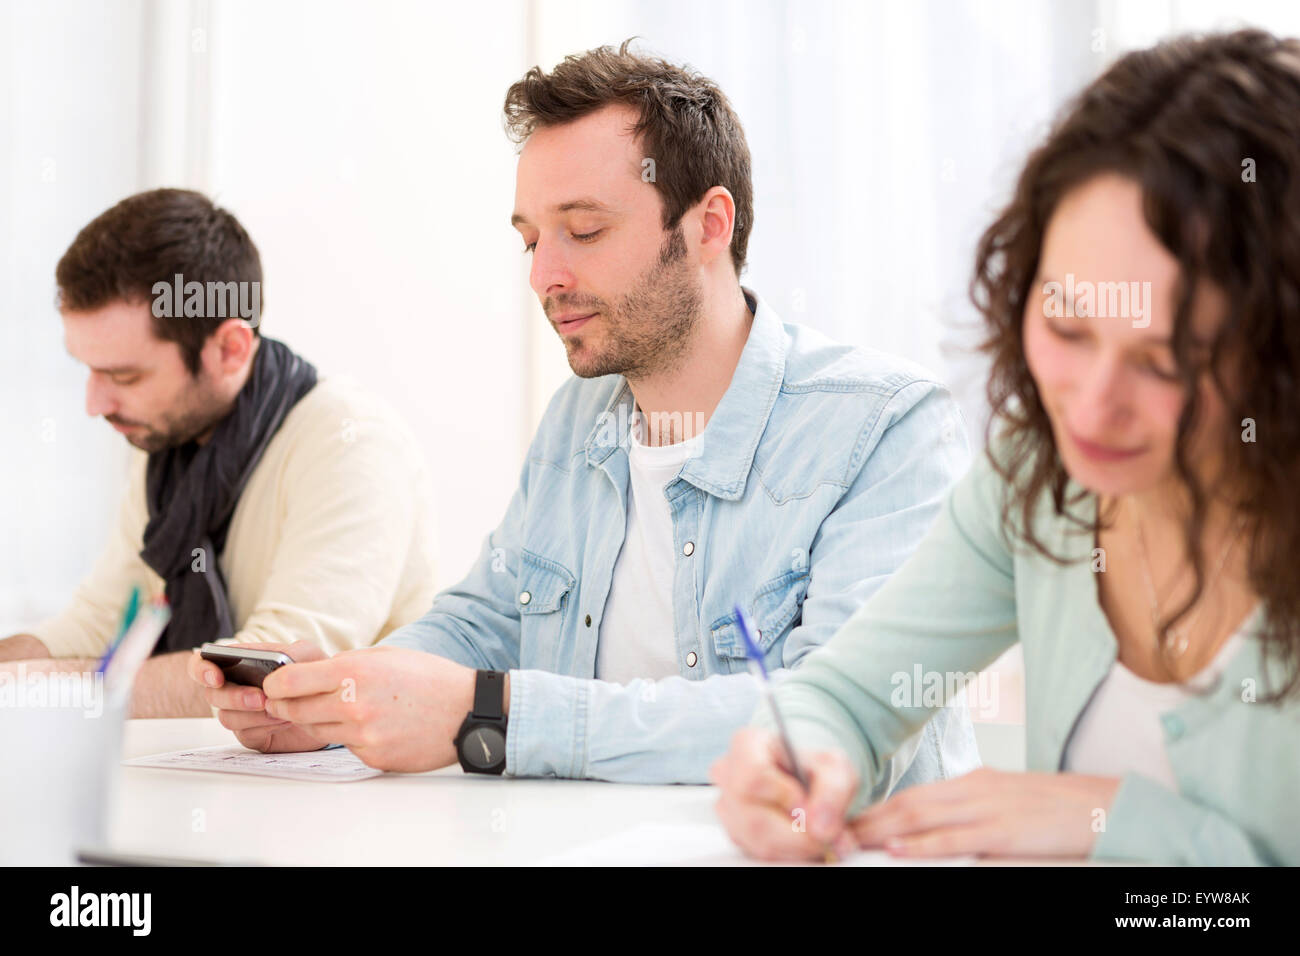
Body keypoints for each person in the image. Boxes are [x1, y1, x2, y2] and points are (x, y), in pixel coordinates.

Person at [193, 40, 979, 785]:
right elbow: (482, 625)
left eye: (585, 230)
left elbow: (830, 723)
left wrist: (494, 717)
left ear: (710, 225)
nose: (544, 275)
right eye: (530, 240)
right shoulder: (580, 420)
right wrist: (340, 699)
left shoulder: (887, 428)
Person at [712, 29, 1300, 865]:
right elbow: (845, 694)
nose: (1092, 407)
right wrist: (799, 758)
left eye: (1166, 361)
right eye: (1065, 326)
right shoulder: (1038, 477)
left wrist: (1116, 826)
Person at [1, 188, 438, 718]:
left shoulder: (351, 443)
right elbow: (96, 625)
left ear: (230, 349)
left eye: (124, 375)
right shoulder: (164, 444)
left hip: (347, 790)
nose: (95, 403)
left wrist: (35, 687)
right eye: (87, 368)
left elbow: (269, 675)